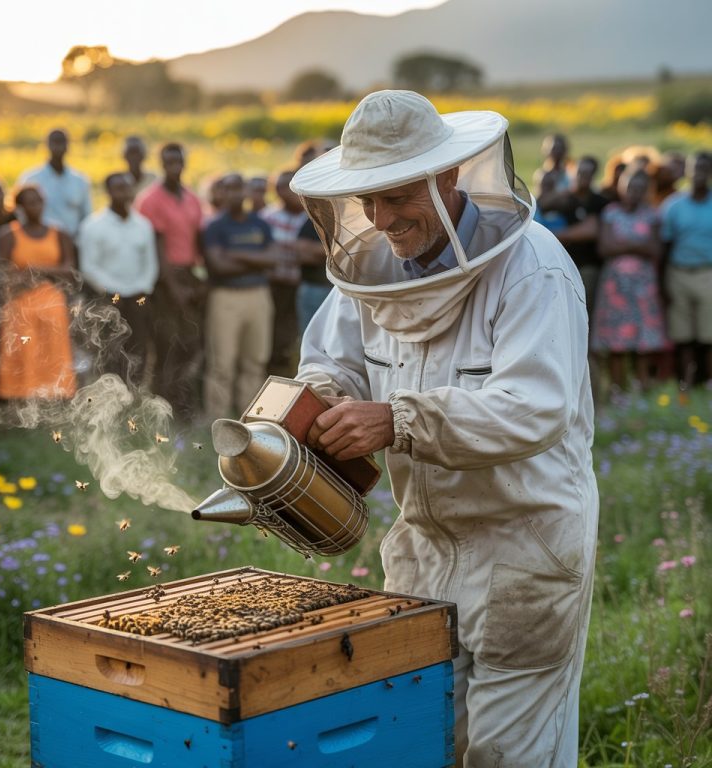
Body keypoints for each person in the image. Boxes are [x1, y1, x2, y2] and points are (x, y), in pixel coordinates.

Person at [291, 90, 598, 766]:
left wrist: (398, 418)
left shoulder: (533, 269)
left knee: (510, 755)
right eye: (368, 199)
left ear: (450, 175)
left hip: (526, 548)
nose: (381, 218)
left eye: (398, 196)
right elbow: (329, 365)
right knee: (430, 744)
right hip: (424, 548)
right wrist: (308, 410)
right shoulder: (368, 276)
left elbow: (535, 406)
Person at [134, 142, 206, 421]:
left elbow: (197, 241)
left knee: (190, 343)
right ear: (161, 164)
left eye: (179, 160)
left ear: (184, 162)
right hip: (164, 280)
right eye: (169, 161)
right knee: (167, 345)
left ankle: (184, 405)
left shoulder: (190, 197)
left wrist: (200, 280)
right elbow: (156, 246)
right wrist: (174, 288)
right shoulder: (151, 199)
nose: (174, 166)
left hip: (188, 274)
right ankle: (162, 410)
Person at [203, 173, 277, 417]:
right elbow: (218, 267)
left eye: (239, 188)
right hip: (226, 298)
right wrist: (256, 259)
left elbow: (272, 260)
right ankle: (218, 419)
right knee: (222, 364)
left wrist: (235, 254)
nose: (235, 194)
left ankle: (251, 419)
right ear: (221, 193)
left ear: (247, 191)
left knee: (255, 362)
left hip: (258, 297)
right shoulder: (214, 227)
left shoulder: (260, 224)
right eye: (229, 189)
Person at [0, 185, 77, 401]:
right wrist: (28, 276)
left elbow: (69, 270)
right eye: (30, 202)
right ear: (20, 207)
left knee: (53, 352)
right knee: (25, 351)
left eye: (39, 201)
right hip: (20, 301)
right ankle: (21, 398)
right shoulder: (9, 234)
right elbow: (2, 271)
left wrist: (35, 270)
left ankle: (53, 397)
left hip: (51, 302)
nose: (36, 207)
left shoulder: (59, 233)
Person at [590, 165, 667, 391]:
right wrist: (637, 245)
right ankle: (617, 390)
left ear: (646, 190)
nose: (634, 192)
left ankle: (642, 390)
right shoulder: (610, 213)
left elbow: (655, 250)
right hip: (616, 286)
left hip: (643, 285)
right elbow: (605, 248)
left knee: (643, 343)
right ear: (622, 187)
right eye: (630, 187)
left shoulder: (652, 214)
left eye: (640, 188)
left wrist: (623, 244)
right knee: (616, 343)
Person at [78, 173, 159, 387]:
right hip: (109, 298)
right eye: (118, 188)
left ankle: (136, 394)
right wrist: (116, 291)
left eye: (127, 188)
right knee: (110, 348)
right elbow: (89, 267)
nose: (124, 193)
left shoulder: (143, 225)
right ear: (108, 192)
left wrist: (141, 288)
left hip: (138, 296)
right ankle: (112, 396)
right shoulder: (93, 226)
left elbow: (150, 264)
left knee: (139, 346)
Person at [661, 151, 712, 387]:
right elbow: (665, 246)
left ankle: (708, 383)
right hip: (679, 273)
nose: (699, 173)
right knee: (683, 336)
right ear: (687, 171)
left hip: (707, 273)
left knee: (708, 335)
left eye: (704, 168)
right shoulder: (673, 206)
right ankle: (687, 384)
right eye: (695, 168)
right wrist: (663, 283)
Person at [260, 170, 306, 377]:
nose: (284, 192)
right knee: (273, 331)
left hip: (303, 284)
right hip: (274, 285)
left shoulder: (310, 216)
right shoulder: (267, 217)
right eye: (279, 187)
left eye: (288, 187)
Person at [555, 155, 609, 319]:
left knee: (585, 309)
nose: (582, 177)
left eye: (587, 173)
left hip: (588, 265)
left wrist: (557, 235)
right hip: (562, 264)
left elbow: (591, 231)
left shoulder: (599, 202)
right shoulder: (564, 199)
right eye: (579, 172)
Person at [19, 129, 92, 243]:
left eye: (62, 142)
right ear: (46, 145)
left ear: (68, 146)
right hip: (39, 243)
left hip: (72, 242)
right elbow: (20, 213)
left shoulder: (80, 180)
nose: (58, 146)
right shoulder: (31, 178)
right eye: (54, 142)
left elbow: (86, 217)